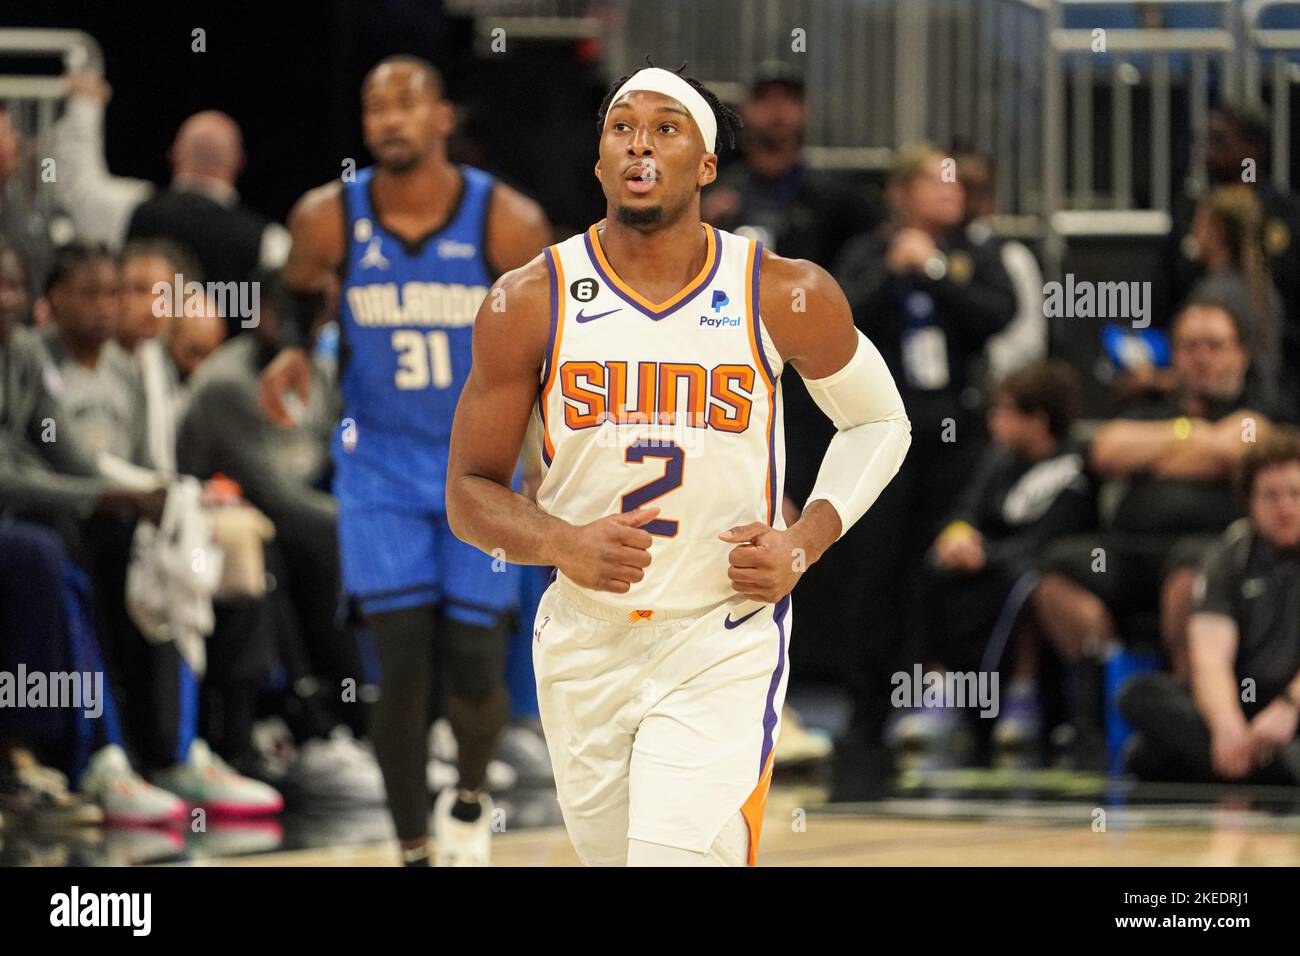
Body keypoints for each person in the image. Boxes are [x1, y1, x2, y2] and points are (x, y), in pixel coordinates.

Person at [444, 65, 911, 867]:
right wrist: (561, 543)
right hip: (585, 641)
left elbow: (880, 420)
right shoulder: (530, 299)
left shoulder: (780, 291)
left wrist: (806, 542)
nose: (640, 143)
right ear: (598, 163)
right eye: (622, 127)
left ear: (706, 165)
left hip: (720, 632)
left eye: (667, 128)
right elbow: (468, 491)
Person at [258, 56, 551, 866]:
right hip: (379, 467)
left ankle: (467, 797)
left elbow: (555, 338)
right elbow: (288, 288)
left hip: (478, 470)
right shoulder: (327, 217)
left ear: (442, 118)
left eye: (406, 103)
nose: (389, 119)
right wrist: (285, 351)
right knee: (398, 663)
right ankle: (414, 847)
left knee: (474, 658)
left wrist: (541, 449)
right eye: (374, 106)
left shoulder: (507, 221)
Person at [830, 144, 1016, 796]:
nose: (951, 191)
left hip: (956, 434)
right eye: (935, 181)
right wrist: (894, 270)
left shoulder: (974, 251)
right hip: (884, 430)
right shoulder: (866, 250)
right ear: (901, 193)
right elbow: (840, 320)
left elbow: (997, 314)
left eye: (955, 182)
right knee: (876, 573)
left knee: (954, 563)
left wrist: (934, 270)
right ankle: (867, 720)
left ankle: (975, 715)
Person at [1034, 298, 1283, 760]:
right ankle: (1098, 710)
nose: (1201, 357)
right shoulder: (1146, 402)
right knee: (1057, 572)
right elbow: (1108, 449)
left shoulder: (1258, 407)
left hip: (1213, 553)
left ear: (1240, 354)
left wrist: (1158, 452)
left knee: (1189, 576)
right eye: (1189, 346)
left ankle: (1187, 715)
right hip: (1129, 553)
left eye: (1214, 346)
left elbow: (1237, 448)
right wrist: (1195, 439)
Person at [906, 361, 1092, 751]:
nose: (995, 421)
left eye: (1005, 412)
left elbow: (1053, 537)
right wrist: (958, 538)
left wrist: (986, 557)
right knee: (935, 566)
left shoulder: (1072, 467)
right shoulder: (999, 459)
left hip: (1035, 561)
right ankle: (944, 687)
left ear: (1038, 420)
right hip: (989, 556)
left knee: (1023, 586)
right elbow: (966, 509)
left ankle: (1020, 696)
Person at [1119, 427, 1300, 784]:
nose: (1285, 508)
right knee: (1137, 696)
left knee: (1151, 758)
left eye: (1296, 494)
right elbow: (1210, 656)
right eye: (1271, 496)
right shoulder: (1229, 556)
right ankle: (1257, 764)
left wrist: (1289, 707)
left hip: (1293, 704)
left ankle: (1245, 767)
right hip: (1248, 701)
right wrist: (1226, 725)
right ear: (1249, 502)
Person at [1186, 185, 1286, 405]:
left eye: (1199, 223)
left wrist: (1154, 380)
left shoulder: (1213, 295)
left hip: (1230, 412)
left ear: (1216, 231)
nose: (1193, 232)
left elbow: (1202, 376)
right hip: (1268, 407)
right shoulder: (1265, 288)